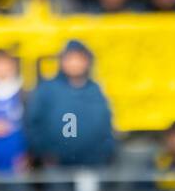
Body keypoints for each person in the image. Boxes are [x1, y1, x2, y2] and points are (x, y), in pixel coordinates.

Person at [25, 40, 115, 168]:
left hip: (91, 164)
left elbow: (105, 124)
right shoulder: (47, 89)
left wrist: (103, 152)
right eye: (70, 59)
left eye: (79, 59)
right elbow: (33, 123)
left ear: (87, 62)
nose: (75, 64)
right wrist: (44, 152)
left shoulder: (95, 90)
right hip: (55, 164)